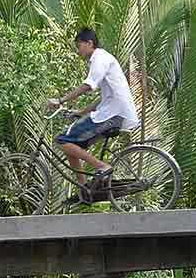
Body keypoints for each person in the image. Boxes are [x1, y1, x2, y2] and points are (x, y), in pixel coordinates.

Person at [48, 28, 139, 183]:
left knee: (61, 140)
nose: (78, 50)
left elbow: (88, 85)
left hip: (111, 115)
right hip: (112, 112)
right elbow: (103, 99)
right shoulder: (103, 59)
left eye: (79, 45)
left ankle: (102, 166)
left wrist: (61, 100)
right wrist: (81, 112)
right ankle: (84, 190)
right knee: (70, 145)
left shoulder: (100, 58)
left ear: (89, 43)